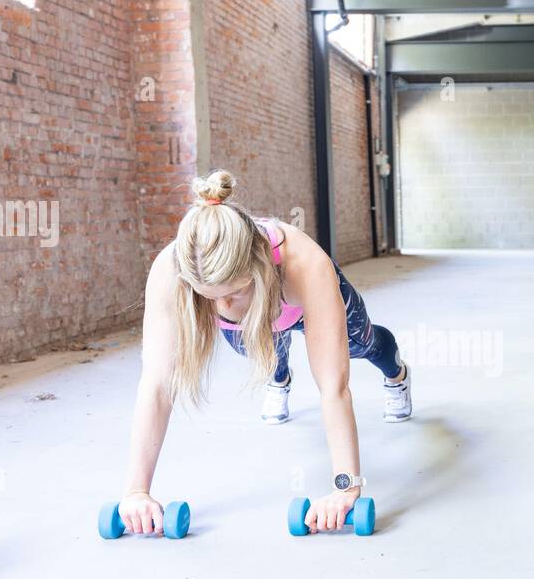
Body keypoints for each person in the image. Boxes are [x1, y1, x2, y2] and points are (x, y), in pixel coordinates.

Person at [119, 170, 411, 534]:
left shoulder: (305, 265)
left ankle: (397, 374)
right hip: (262, 315)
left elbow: (333, 388)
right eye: (210, 298)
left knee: (362, 344)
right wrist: (135, 492)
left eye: (234, 292)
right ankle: (280, 377)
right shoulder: (171, 269)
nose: (224, 305)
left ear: (258, 265)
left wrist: (346, 489)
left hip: (295, 302)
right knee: (260, 352)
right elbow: (157, 385)